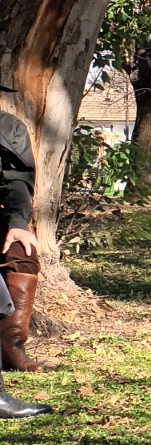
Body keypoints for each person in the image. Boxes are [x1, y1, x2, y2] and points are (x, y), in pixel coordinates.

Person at [0, 82, 52, 418]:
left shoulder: (8, 128)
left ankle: (11, 346)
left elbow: (17, 182)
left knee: (22, 249)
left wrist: (18, 223)